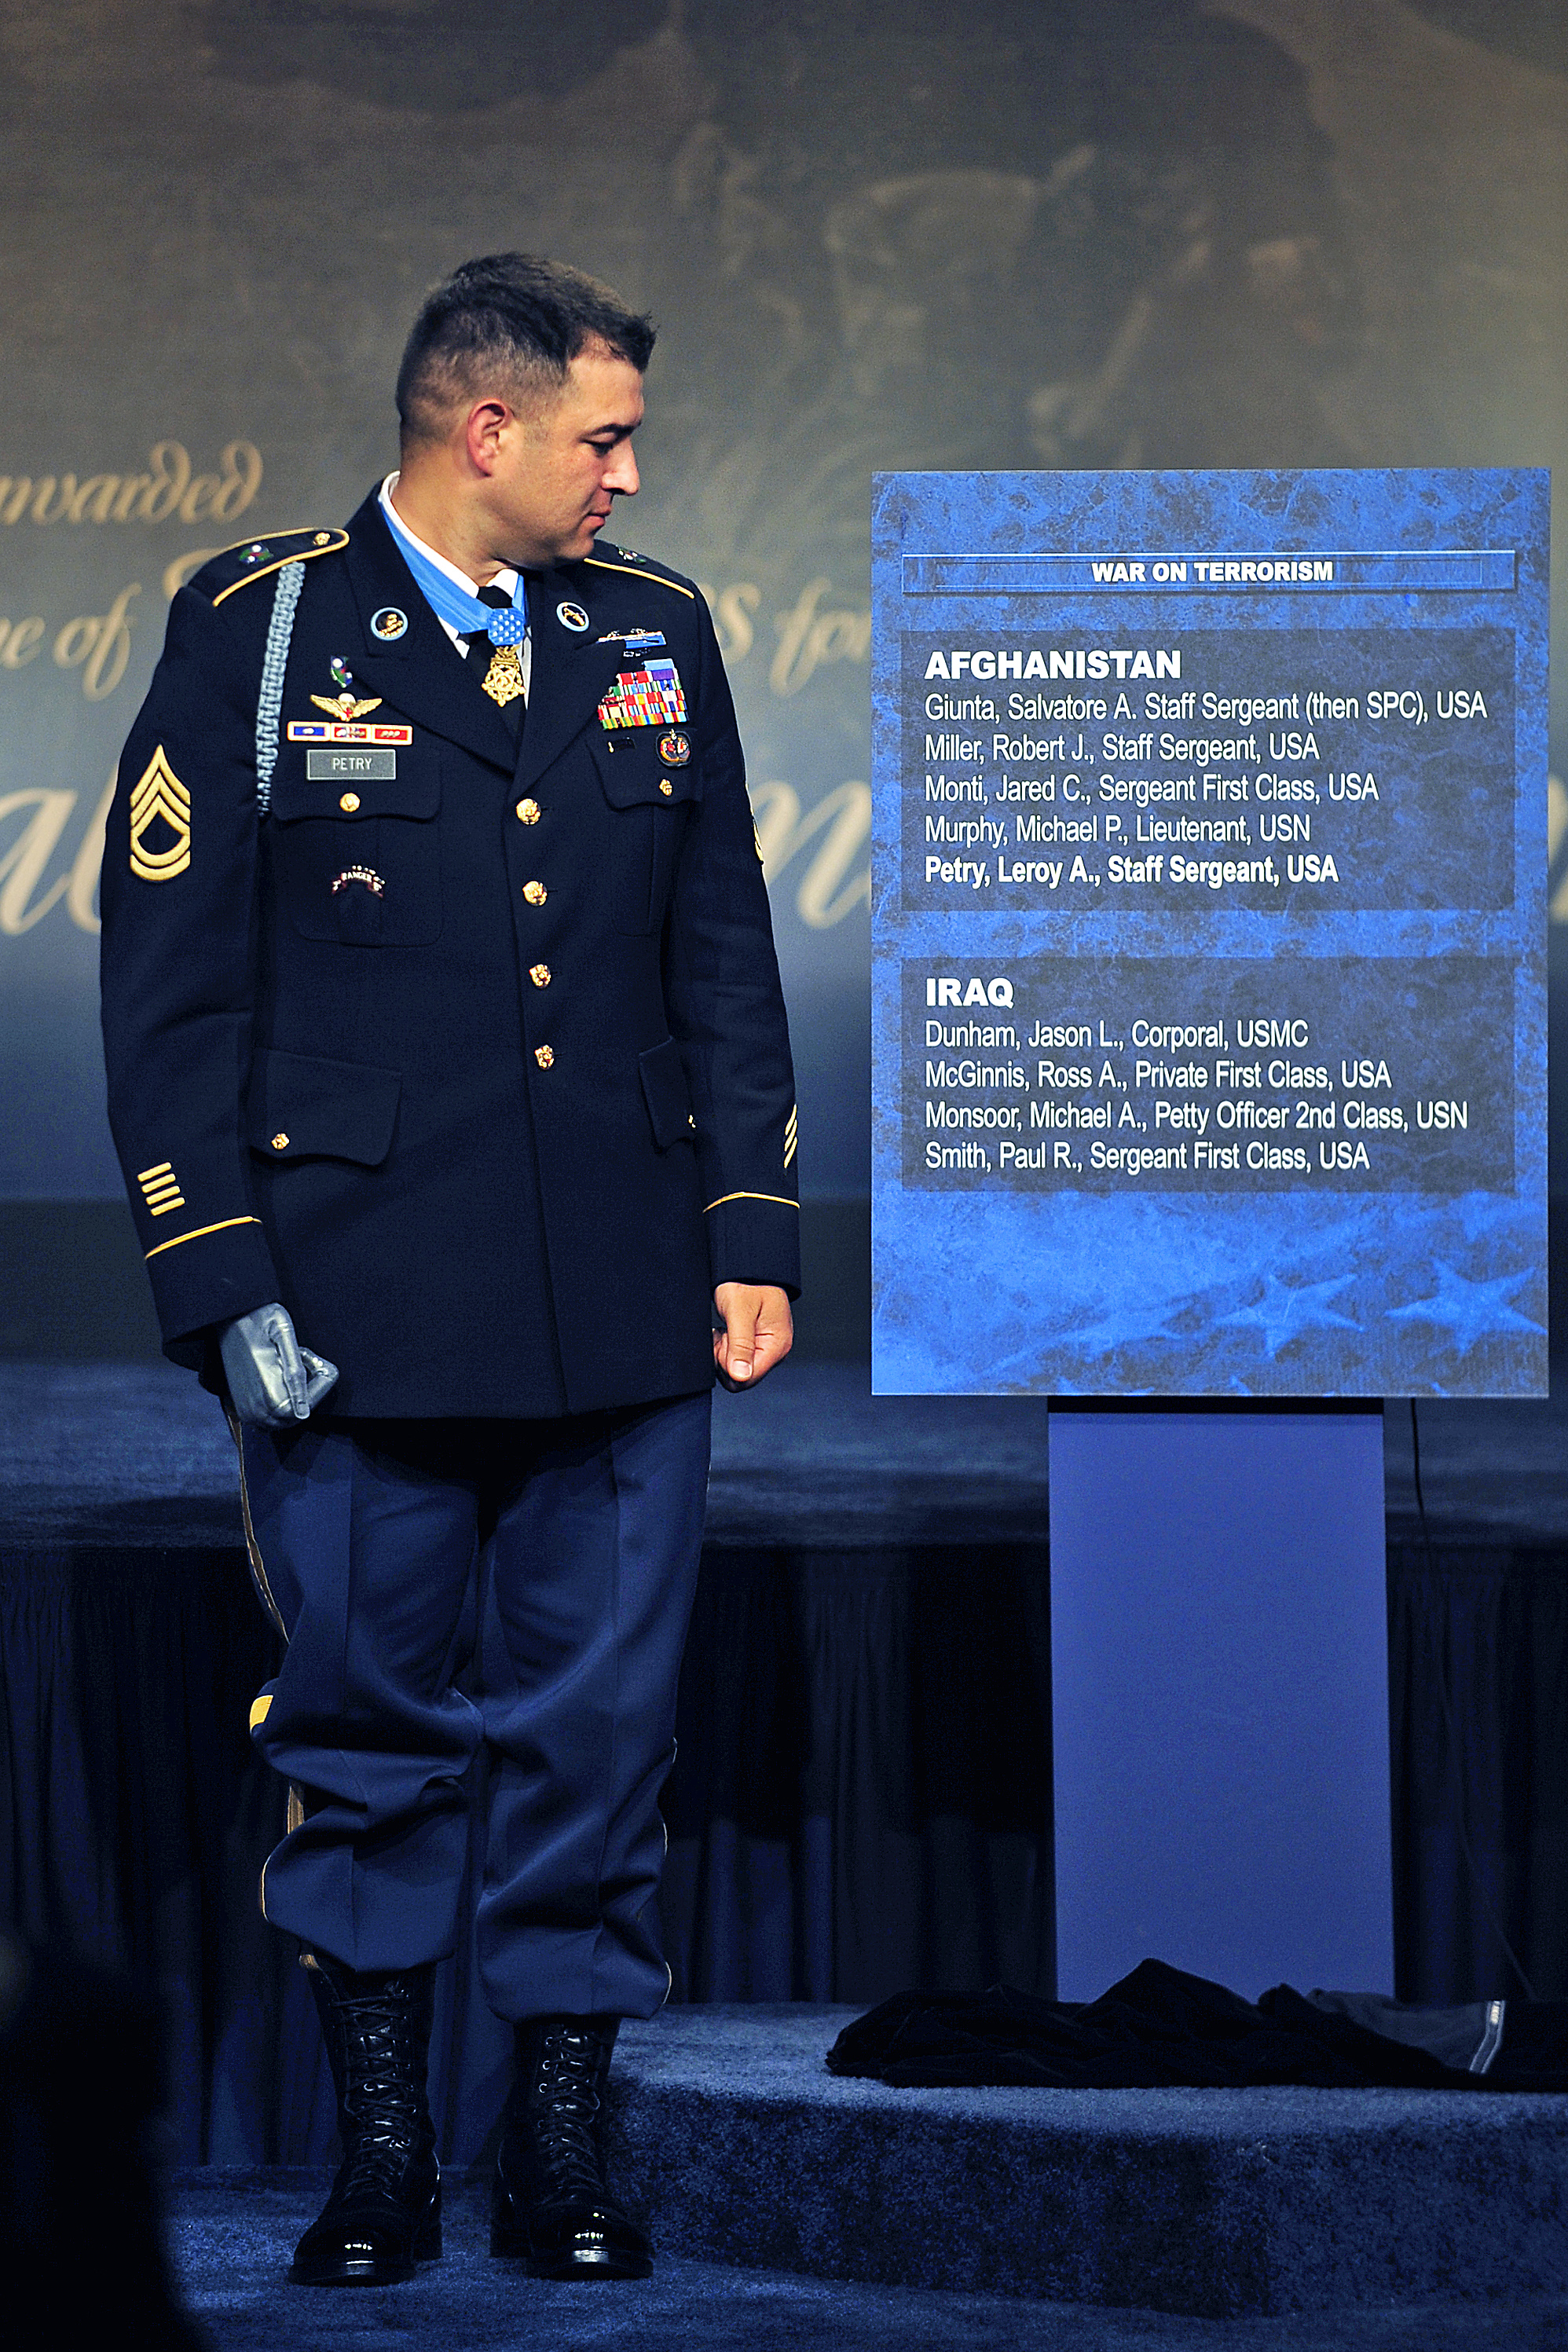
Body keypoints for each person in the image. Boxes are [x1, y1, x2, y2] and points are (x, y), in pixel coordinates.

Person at [98, 253, 799, 2288]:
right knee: (362, 1731)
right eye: (601, 434)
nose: (626, 471)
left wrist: (746, 1235)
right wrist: (218, 1271)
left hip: (620, 1294)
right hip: (356, 1299)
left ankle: (559, 2150)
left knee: (602, 1736)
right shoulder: (263, 627)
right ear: (482, 429)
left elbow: (720, 954)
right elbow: (168, 984)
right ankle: (386, 2154)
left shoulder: (653, 630)